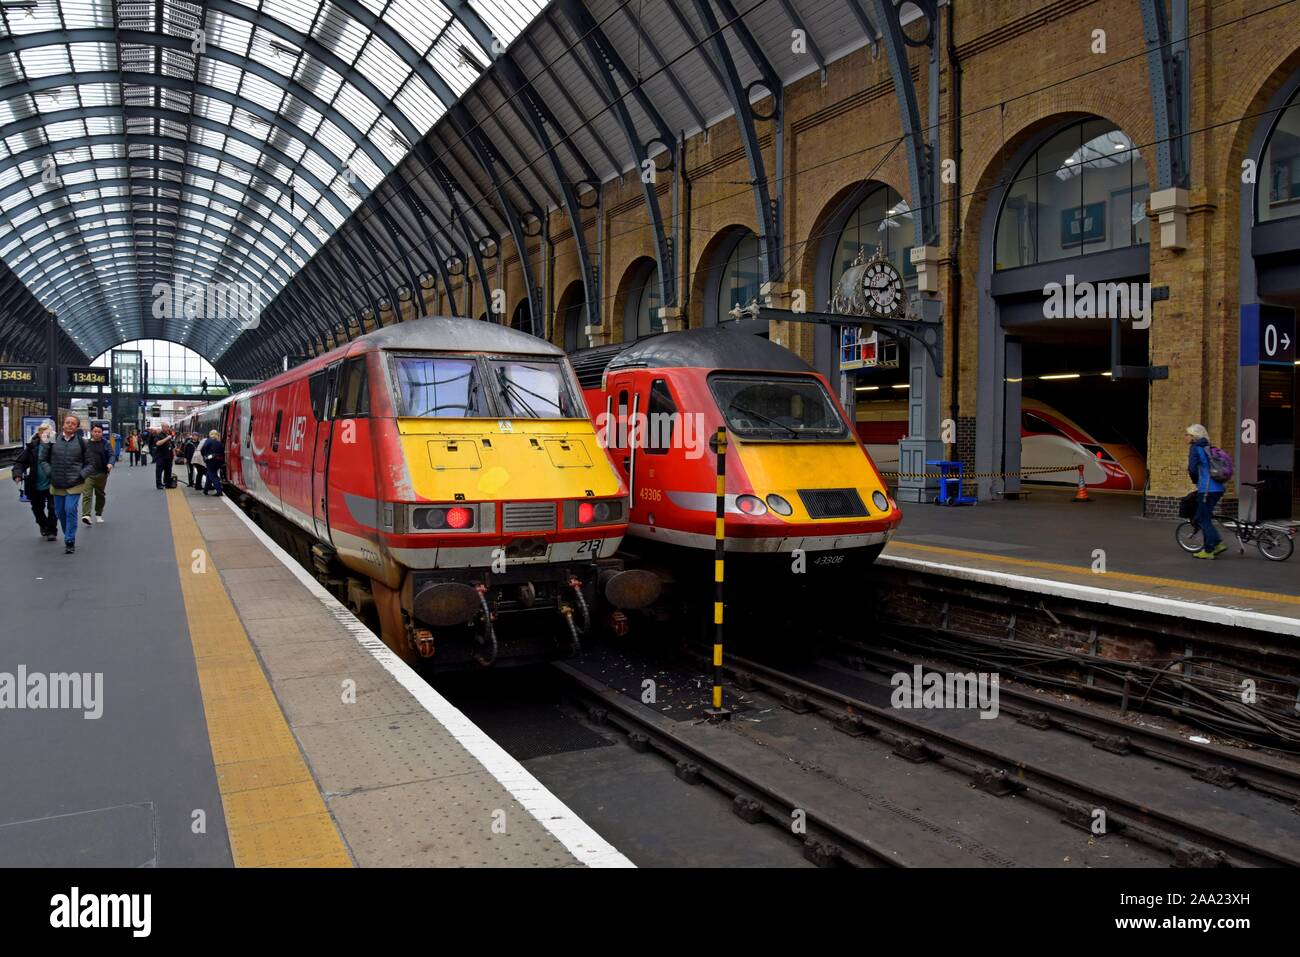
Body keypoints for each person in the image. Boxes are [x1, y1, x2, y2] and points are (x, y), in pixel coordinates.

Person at [50, 414, 92, 553]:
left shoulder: (82, 442)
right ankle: (67, 532)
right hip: (57, 482)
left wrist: (81, 475)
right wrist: (50, 473)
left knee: (70, 509)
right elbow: (42, 459)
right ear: (63, 425)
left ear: (77, 427)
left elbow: (90, 463)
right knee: (60, 512)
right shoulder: (52, 440)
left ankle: (69, 539)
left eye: (73, 423)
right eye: (67, 422)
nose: (69, 425)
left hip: (75, 483)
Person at [1186, 423, 1227, 560]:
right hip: (1218, 488)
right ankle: (1218, 544)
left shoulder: (1195, 448)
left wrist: (1196, 481)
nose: (1185, 437)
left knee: (1203, 520)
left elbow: (1192, 469)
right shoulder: (1208, 446)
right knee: (1205, 517)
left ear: (1194, 437)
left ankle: (1209, 550)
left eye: (1188, 435)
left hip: (1206, 489)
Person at [12, 421, 57, 541]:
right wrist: (17, 474)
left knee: (53, 508)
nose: (46, 435)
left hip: (53, 483)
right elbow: (20, 462)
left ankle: (52, 531)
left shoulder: (56, 447)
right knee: (37, 508)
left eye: (48, 432)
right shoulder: (32, 447)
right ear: (39, 434)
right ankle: (43, 525)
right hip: (35, 483)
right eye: (43, 432)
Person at [80, 423, 118, 525]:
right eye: (95, 431)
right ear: (92, 432)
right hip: (88, 474)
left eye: (99, 432)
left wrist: (110, 463)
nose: (97, 434)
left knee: (100, 494)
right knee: (87, 494)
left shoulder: (106, 443)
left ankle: (98, 513)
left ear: (102, 433)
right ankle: (86, 515)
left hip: (102, 473)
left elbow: (112, 455)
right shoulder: (86, 444)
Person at [199, 429, 224, 497]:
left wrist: (204, 456)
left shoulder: (208, 441)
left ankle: (219, 491)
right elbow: (222, 452)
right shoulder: (219, 443)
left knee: (213, 475)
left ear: (210, 435)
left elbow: (202, 449)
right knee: (209, 474)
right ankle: (205, 490)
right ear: (217, 435)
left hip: (211, 461)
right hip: (219, 461)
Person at [153, 425, 174, 490]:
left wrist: (174, 455)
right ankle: (159, 484)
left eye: (168, 427)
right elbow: (158, 443)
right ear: (163, 428)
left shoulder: (168, 434)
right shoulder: (158, 435)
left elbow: (172, 446)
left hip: (169, 456)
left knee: (168, 471)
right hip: (161, 456)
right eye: (166, 427)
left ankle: (168, 484)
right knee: (159, 471)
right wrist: (167, 438)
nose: (168, 428)